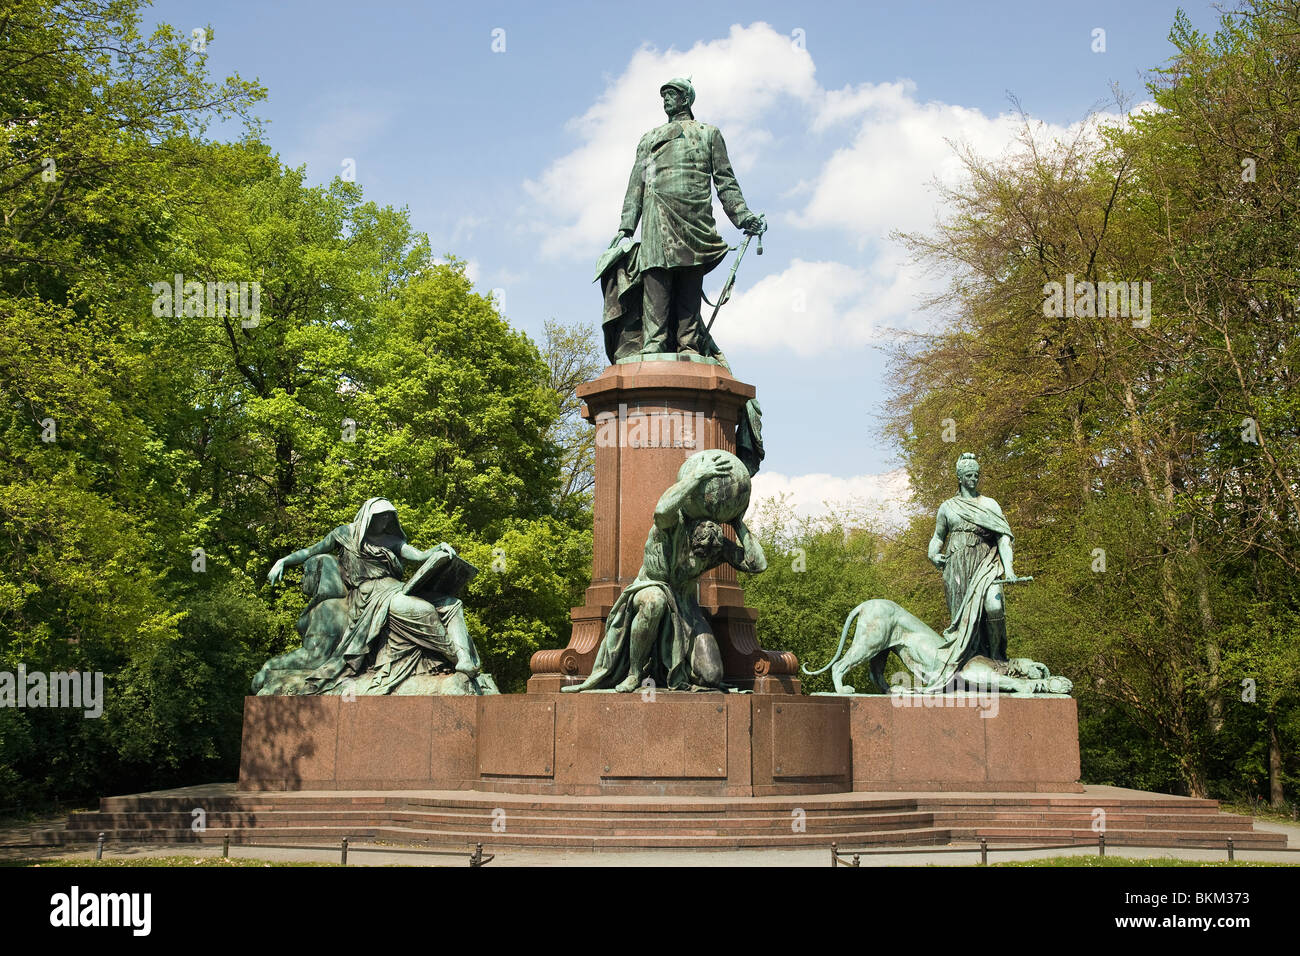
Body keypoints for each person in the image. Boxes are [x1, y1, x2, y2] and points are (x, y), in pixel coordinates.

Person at [563, 450, 766, 693]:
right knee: (655, 602)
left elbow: (757, 565)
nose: (704, 554)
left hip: (685, 607)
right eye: (698, 547)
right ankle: (634, 673)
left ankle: (673, 669)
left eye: (707, 551)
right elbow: (660, 510)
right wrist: (697, 477)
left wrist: (737, 522)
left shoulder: (714, 543)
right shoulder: (672, 523)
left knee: (711, 676)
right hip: (649, 587)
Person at [602, 78, 766, 360]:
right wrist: (626, 227)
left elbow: (725, 182)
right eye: (663, 95)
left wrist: (743, 217)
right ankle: (654, 343)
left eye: (671, 95)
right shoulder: (649, 138)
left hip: (694, 219)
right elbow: (635, 185)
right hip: (657, 216)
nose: (665, 100)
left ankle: (688, 345)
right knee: (655, 277)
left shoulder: (708, 134)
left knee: (690, 281)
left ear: (686, 100)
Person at [266, 497, 481, 693]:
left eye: (389, 516)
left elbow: (419, 555)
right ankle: (452, 655)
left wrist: (438, 549)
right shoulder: (344, 534)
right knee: (422, 610)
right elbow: (312, 550)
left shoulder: (392, 540)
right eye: (381, 516)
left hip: (397, 587)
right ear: (368, 515)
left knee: (452, 604)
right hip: (372, 595)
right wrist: (282, 561)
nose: (385, 520)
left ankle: (464, 660)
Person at [927, 453, 1019, 665]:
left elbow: (1004, 538)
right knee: (965, 618)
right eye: (969, 475)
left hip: (986, 564)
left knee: (994, 608)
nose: (974, 479)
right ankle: (967, 661)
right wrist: (932, 554)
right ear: (959, 477)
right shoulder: (948, 507)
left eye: (976, 475)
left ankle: (997, 656)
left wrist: (1009, 569)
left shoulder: (989, 504)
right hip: (957, 566)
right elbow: (938, 537)